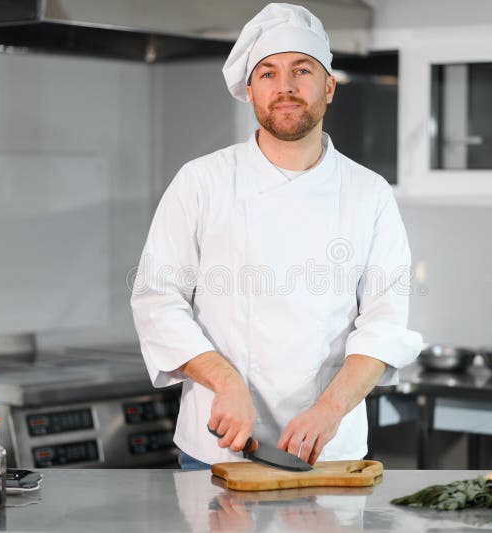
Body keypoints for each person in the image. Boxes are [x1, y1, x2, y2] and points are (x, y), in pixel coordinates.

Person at [131, 2, 422, 471]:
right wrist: (225, 382)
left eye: (300, 70)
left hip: (329, 451)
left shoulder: (369, 194)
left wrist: (329, 410)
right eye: (267, 73)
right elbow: (157, 300)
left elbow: (385, 323)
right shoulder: (202, 181)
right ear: (249, 90)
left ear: (329, 86)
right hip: (221, 450)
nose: (284, 87)